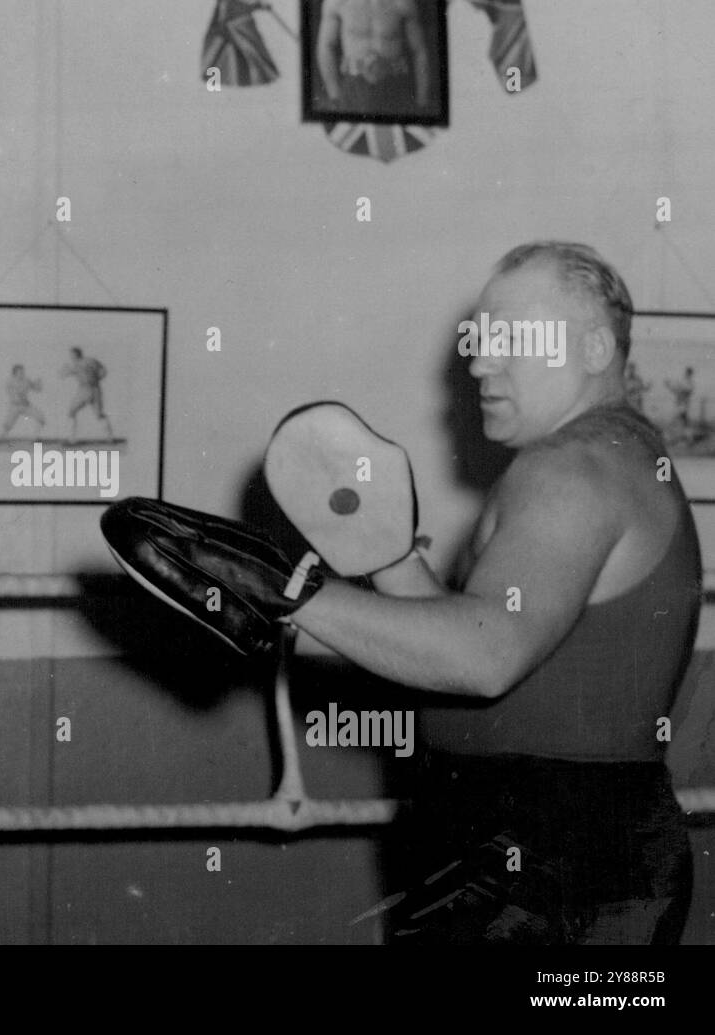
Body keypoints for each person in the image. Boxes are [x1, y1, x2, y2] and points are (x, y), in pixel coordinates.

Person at [106, 241, 702, 943]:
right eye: (479, 339)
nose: (480, 363)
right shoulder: (621, 455)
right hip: (573, 848)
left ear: (597, 346)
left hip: (547, 860)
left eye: (510, 337)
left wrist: (288, 590)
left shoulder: (568, 469)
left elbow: (485, 658)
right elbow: (477, 640)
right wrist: (388, 558)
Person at [315, 0, 431, 117]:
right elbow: (326, 46)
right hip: (353, 87)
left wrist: (422, 100)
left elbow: (419, 51)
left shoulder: (403, 3)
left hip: (394, 86)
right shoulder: (337, 2)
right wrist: (334, 96)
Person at [60, 346, 115, 441]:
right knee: (98, 414)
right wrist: (97, 379)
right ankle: (110, 438)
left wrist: (64, 370)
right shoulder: (90, 360)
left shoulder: (78, 364)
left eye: (72, 354)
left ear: (76, 354)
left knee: (72, 412)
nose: (71, 356)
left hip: (85, 390)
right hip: (94, 389)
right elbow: (103, 371)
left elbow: (63, 374)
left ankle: (71, 439)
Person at [2, 364, 46, 436]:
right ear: (15, 373)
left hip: (25, 405)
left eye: (22, 372)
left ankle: (36, 436)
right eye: (20, 372)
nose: (22, 374)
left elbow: (37, 389)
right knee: (8, 425)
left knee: (41, 418)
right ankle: (1, 438)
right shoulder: (10, 382)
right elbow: (13, 394)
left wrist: (39, 383)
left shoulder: (26, 380)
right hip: (15, 406)